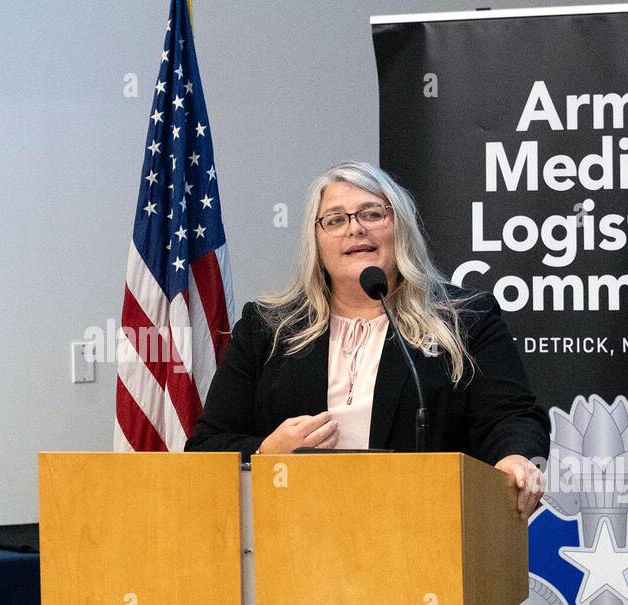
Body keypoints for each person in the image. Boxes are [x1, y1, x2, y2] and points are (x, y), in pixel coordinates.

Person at [185, 161, 548, 519]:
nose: (355, 229)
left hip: (425, 532)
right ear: (317, 240)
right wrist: (265, 453)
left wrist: (515, 457)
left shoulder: (464, 319)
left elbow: (511, 417)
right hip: (292, 538)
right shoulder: (267, 327)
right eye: (336, 219)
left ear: (400, 228)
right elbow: (207, 445)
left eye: (372, 214)